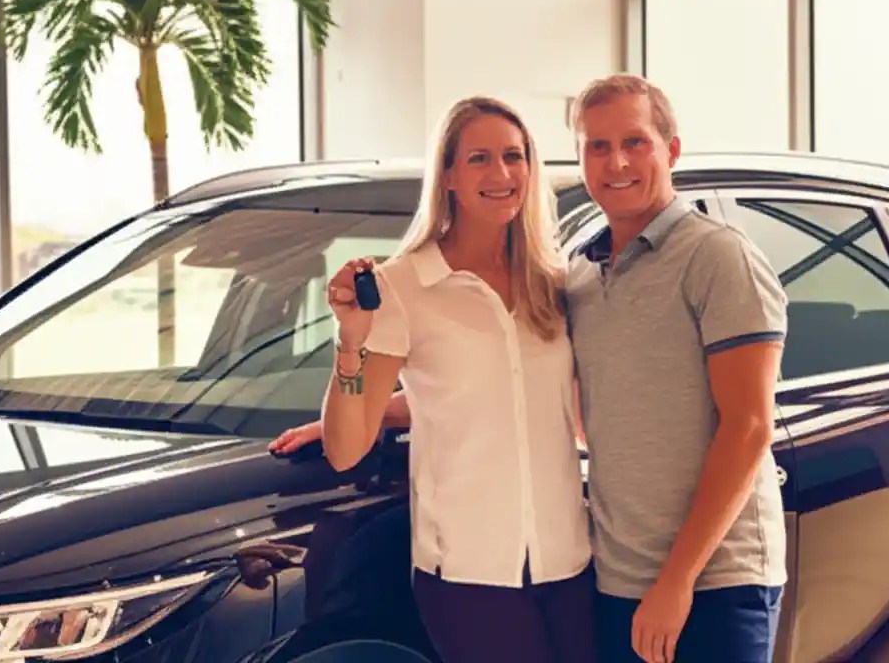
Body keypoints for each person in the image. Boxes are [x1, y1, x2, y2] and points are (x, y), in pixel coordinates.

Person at [313, 95, 596, 663]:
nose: (502, 174)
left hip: (569, 560)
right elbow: (345, 449)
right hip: (468, 573)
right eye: (479, 159)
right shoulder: (405, 285)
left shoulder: (556, 281)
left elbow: (521, 399)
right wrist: (351, 343)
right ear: (446, 174)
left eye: (515, 157)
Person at [566, 73, 788, 663]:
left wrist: (676, 582)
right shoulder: (583, 275)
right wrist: (381, 407)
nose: (616, 162)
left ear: (672, 149)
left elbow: (749, 426)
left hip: (716, 582)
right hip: (618, 578)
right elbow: (522, 384)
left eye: (635, 142)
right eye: (597, 146)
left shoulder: (717, 256)